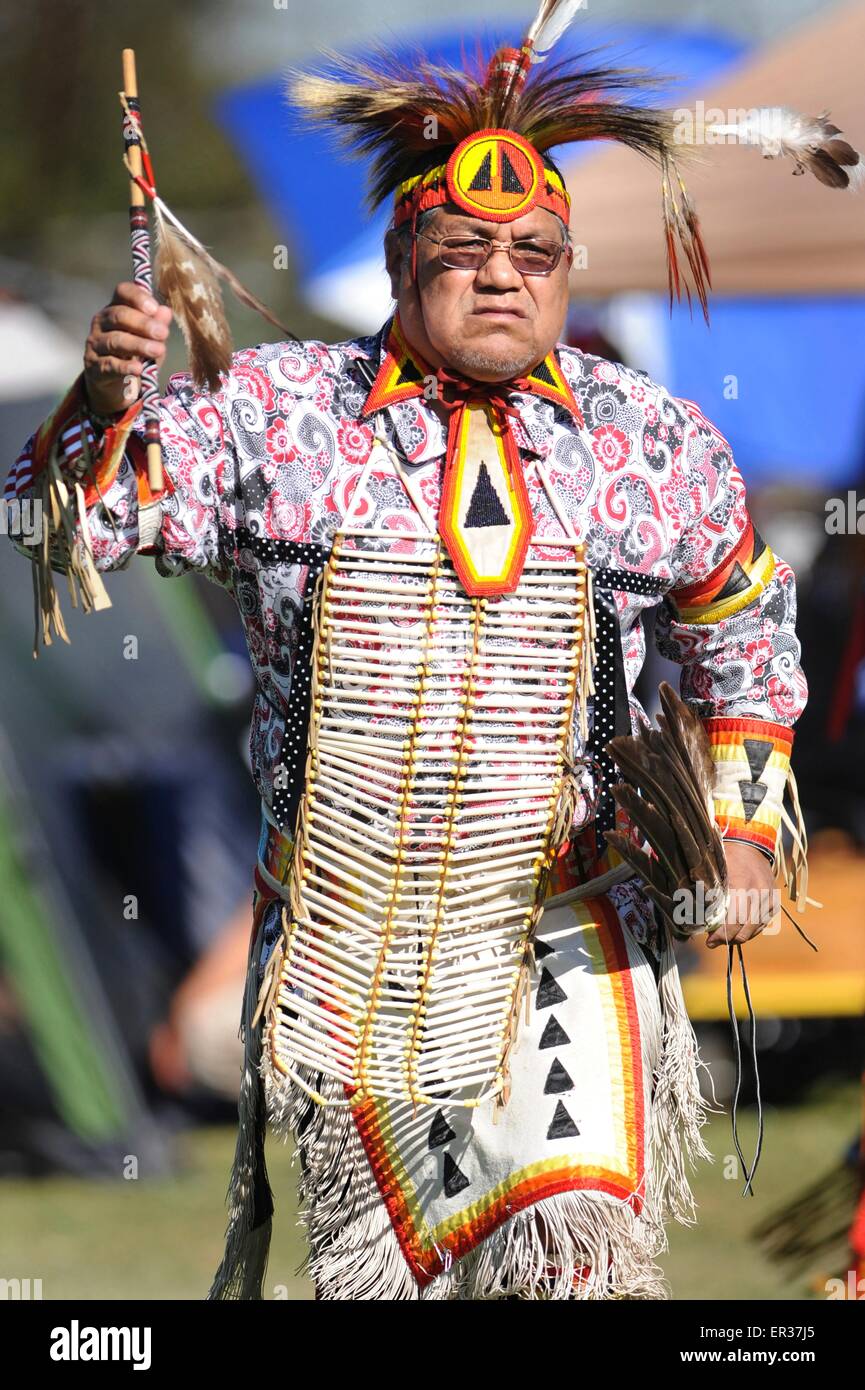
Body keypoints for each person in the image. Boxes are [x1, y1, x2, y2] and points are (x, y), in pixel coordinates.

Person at [8, 1, 848, 1301]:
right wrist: (105, 403)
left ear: (570, 268)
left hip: (574, 919)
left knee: (571, 1250)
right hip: (358, 940)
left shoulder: (651, 440)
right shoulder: (280, 416)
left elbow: (739, 625)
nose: (503, 274)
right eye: (465, 249)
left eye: (536, 251)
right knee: (413, 1281)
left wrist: (739, 825)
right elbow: (69, 524)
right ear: (405, 260)